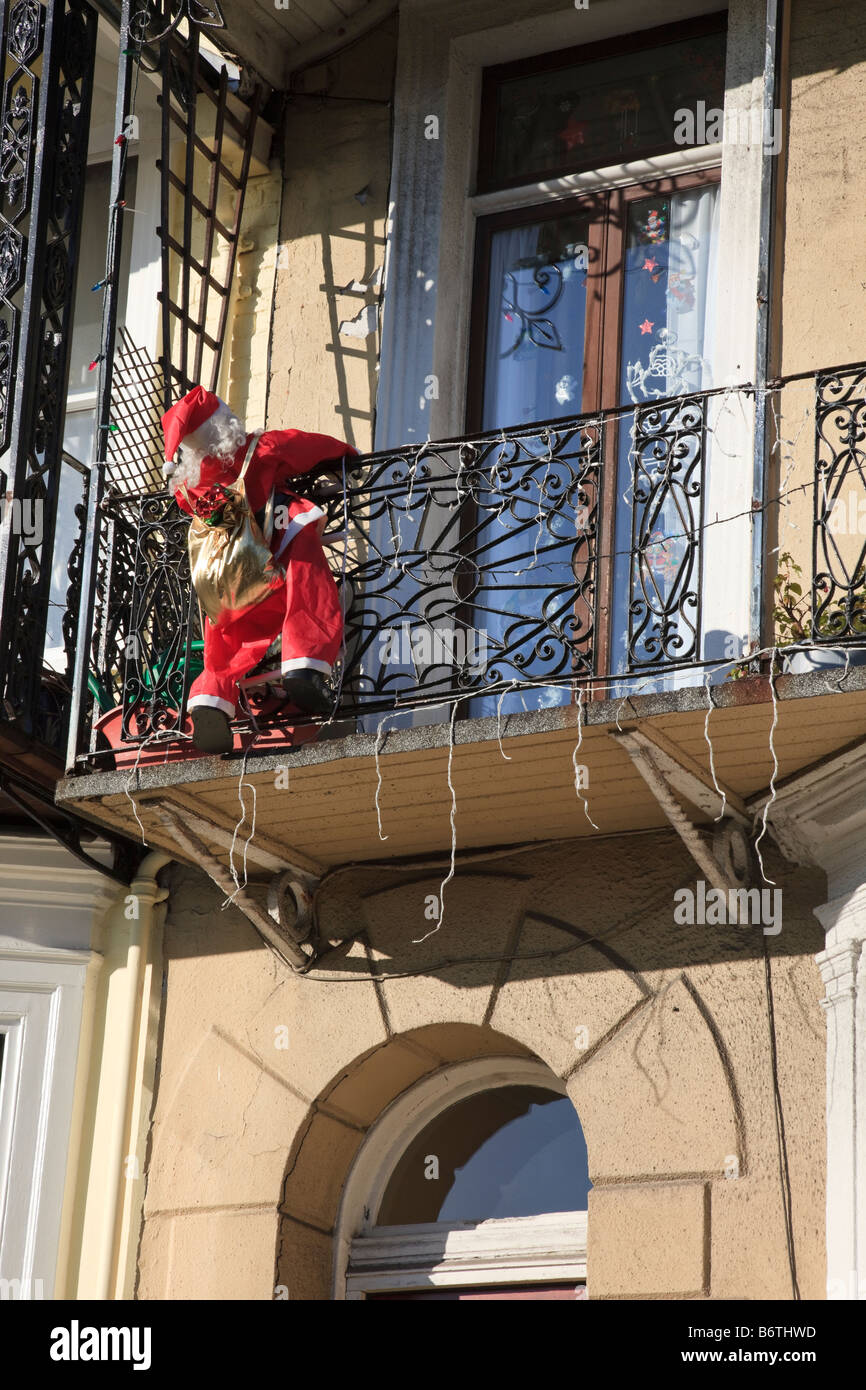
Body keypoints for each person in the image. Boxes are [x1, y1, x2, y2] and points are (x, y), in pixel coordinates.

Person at [162, 386, 355, 753]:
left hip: (230, 580)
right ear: (224, 422)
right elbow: (301, 445)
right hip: (273, 560)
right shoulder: (256, 450)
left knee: (226, 640)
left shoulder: (188, 487)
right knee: (307, 579)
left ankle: (209, 697)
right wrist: (346, 452)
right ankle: (306, 664)